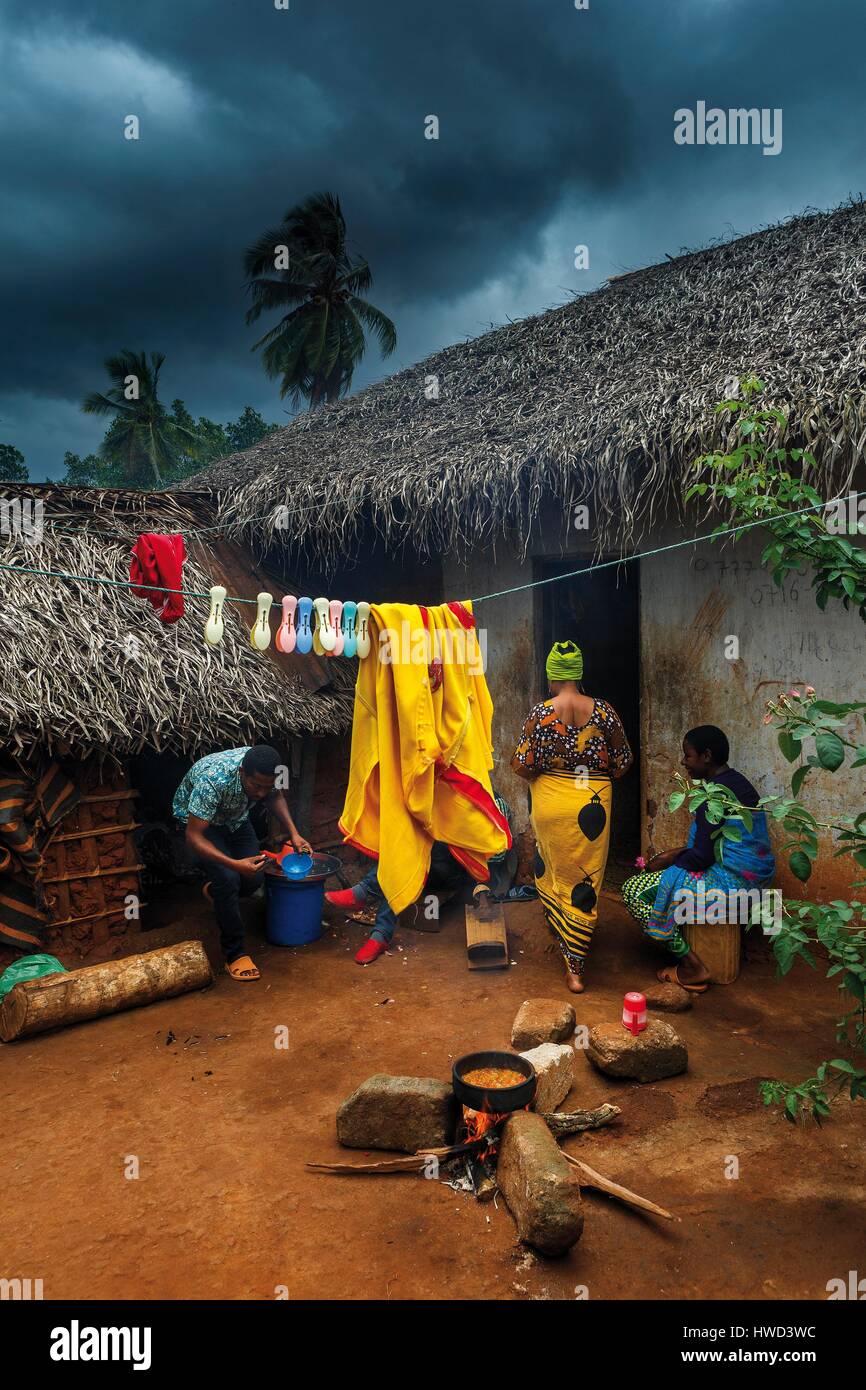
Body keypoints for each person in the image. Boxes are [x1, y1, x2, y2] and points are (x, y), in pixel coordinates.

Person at [511, 641, 632, 993]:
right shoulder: (605, 712)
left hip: (551, 803)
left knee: (551, 865)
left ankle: (561, 932)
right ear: (579, 674)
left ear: (553, 675)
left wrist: (550, 772)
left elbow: (522, 765)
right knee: (585, 876)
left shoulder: (540, 713)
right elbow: (623, 763)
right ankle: (576, 970)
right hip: (591, 804)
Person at [621, 725, 775, 992]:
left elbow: (702, 857)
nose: (683, 762)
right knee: (667, 873)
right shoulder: (738, 783)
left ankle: (692, 966)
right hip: (755, 879)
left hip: (732, 884)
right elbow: (713, 843)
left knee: (633, 890)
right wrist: (673, 855)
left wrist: (666, 862)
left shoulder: (712, 796)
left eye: (688, 756)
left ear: (706, 756)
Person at [173, 744, 311, 982]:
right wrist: (234, 864)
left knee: (253, 877)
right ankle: (234, 954)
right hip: (202, 824)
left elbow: (274, 796)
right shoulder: (213, 781)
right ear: (242, 772)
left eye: (265, 786)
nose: (260, 793)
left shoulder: (267, 768)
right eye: (255, 786)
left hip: (235, 819)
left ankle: (219, 892)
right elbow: (193, 837)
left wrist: (294, 833)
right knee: (229, 878)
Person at [327, 793, 513, 965]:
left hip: (456, 874)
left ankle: (367, 897)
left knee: (423, 851)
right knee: (407, 847)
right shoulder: (443, 794)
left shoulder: (493, 805)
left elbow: (495, 857)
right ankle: (379, 932)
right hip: (424, 866)